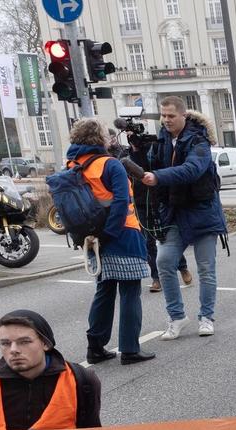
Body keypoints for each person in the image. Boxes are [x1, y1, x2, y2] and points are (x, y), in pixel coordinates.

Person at [67, 120, 155, 366]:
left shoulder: (73, 164)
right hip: (122, 234)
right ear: (100, 139)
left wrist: (97, 237)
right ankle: (129, 348)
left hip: (91, 237)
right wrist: (109, 234)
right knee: (130, 291)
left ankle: (95, 347)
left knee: (104, 290)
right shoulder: (110, 165)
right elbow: (120, 202)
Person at [141, 96, 227, 340]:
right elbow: (150, 167)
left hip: (202, 213)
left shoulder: (199, 141)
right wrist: (138, 153)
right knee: (165, 262)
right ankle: (176, 316)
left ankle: (207, 317)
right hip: (174, 213)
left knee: (206, 269)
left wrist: (158, 176)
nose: (166, 120)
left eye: (171, 116)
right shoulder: (161, 141)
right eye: (163, 115)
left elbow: (193, 170)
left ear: (183, 116)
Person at [109, 128, 189, 293]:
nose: (132, 139)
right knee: (148, 242)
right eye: (129, 136)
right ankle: (156, 278)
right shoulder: (124, 155)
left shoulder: (152, 148)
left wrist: (141, 149)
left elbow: (149, 166)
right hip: (139, 201)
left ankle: (182, 266)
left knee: (166, 237)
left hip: (157, 198)